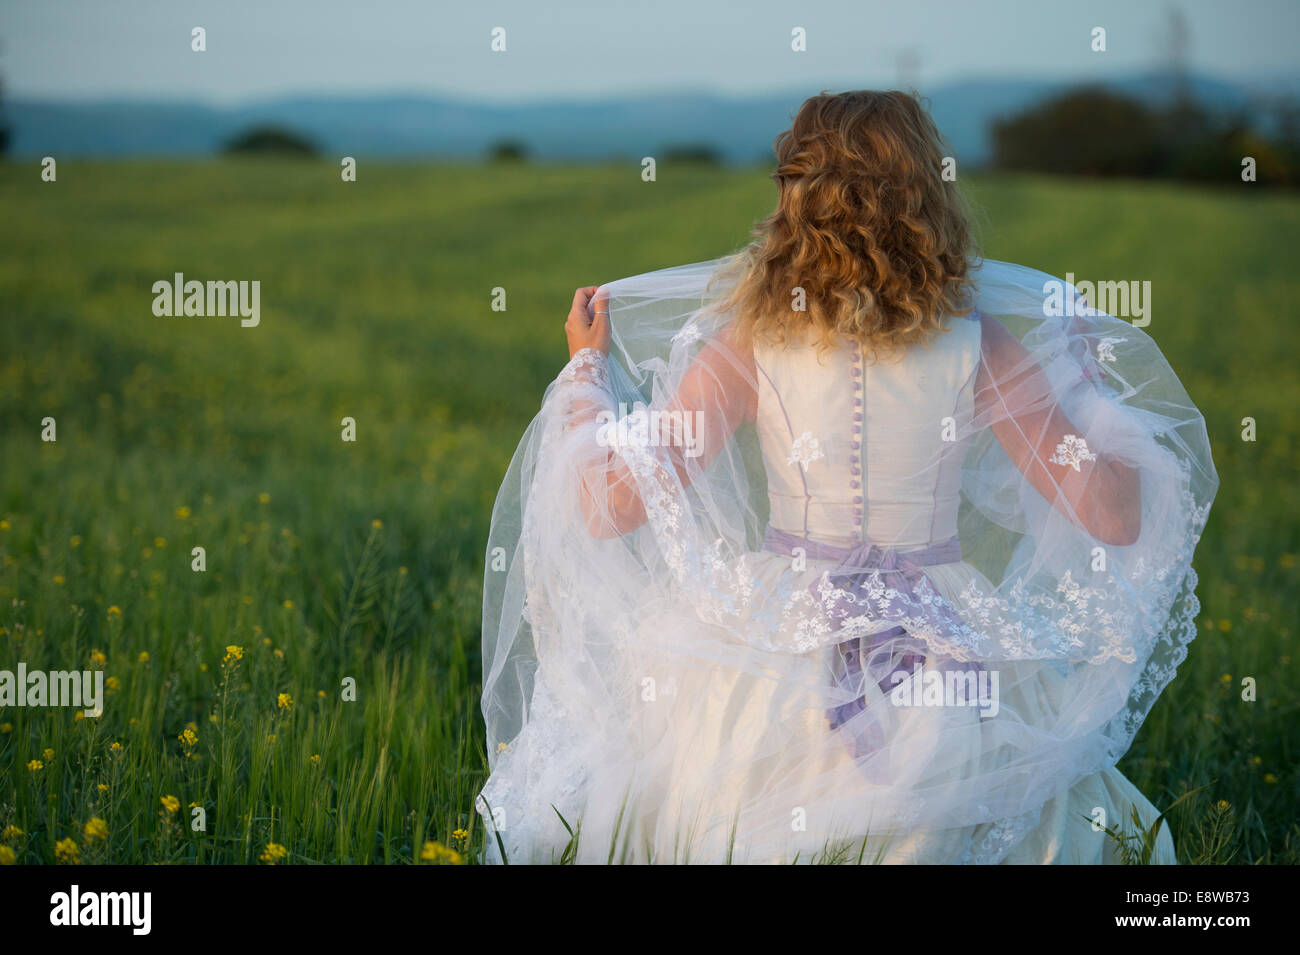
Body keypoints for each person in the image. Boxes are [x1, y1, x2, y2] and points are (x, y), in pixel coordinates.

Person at [478, 90, 1218, 864]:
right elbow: (1113, 515)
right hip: (940, 640)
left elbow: (610, 506)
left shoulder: (753, 338)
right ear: (930, 194)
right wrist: (1084, 391)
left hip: (779, 624)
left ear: (796, 202)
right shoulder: (979, 344)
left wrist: (587, 373)